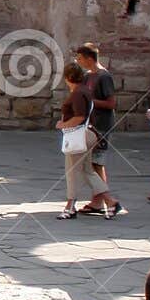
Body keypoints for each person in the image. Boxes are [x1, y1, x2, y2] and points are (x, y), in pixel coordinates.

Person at [74, 43, 124, 216]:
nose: (77, 61)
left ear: (89, 58)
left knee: (96, 163)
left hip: (102, 126)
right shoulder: (88, 76)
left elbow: (111, 103)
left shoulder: (104, 77)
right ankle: (99, 200)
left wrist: (91, 102)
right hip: (89, 124)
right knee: (93, 164)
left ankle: (106, 200)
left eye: (80, 58)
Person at [56, 60, 110, 220]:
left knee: (72, 171)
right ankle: (111, 201)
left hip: (80, 135)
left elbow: (79, 117)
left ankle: (70, 206)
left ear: (67, 78)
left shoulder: (78, 93)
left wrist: (62, 124)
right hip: (88, 134)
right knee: (88, 171)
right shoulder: (85, 90)